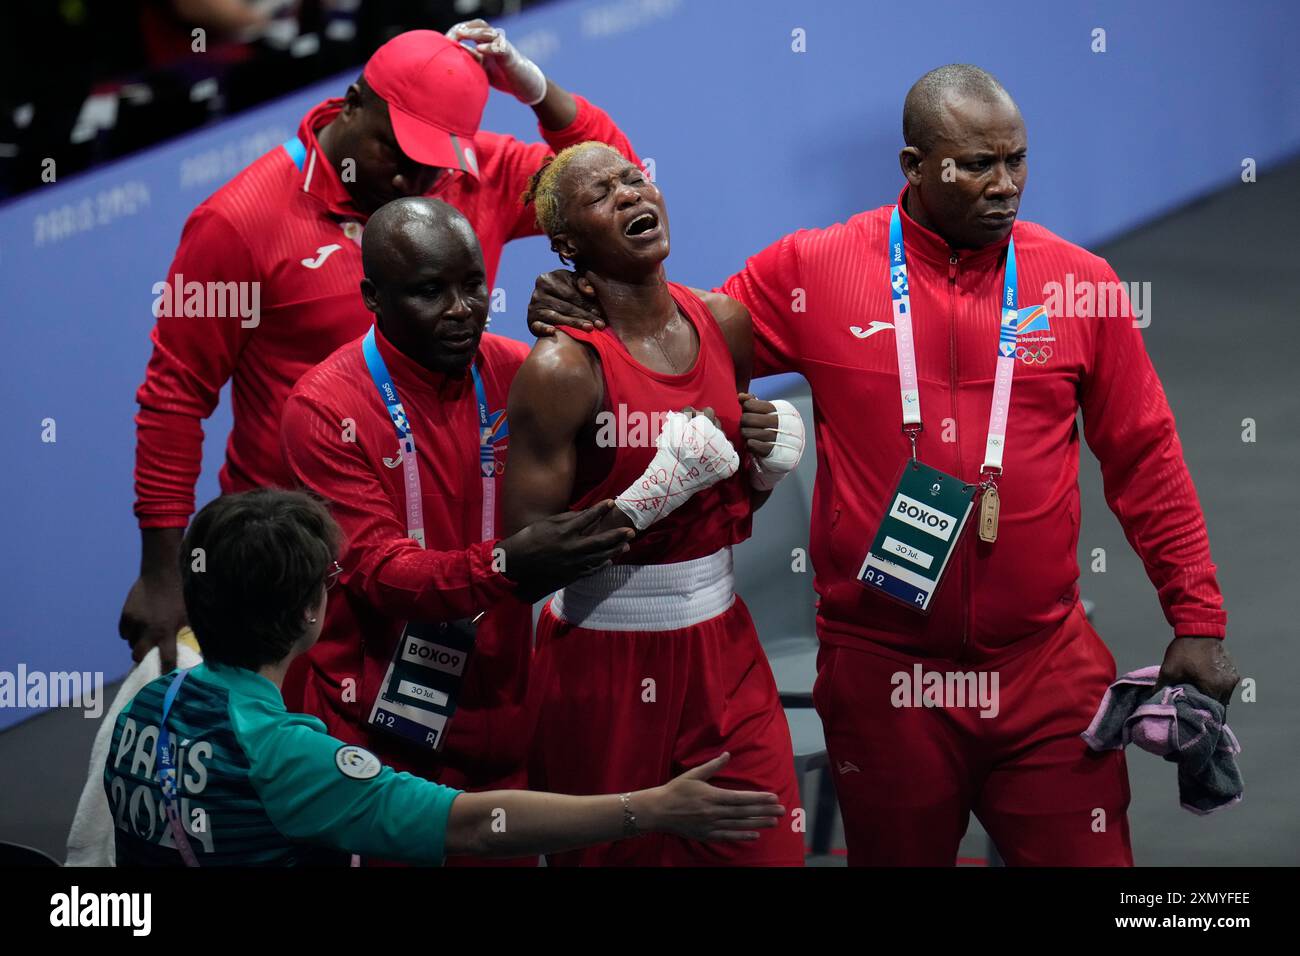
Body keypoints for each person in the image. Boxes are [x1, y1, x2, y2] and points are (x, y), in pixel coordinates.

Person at [525, 66, 1239, 866]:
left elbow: (1146, 457)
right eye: (975, 165)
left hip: (1045, 670)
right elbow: (674, 346)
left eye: (1016, 160)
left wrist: (1198, 617)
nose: (1004, 185)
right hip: (884, 677)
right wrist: (586, 302)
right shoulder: (815, 269)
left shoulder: (1081, 284)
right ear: (913, 166)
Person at [120, 23, 640, 672]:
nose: (409, 178)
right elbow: (175, 397)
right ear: (353, 102)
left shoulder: (467, 175)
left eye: (432, 159)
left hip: (439, 536)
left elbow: (617, 188)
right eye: (395, 150)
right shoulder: (238, 223)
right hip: (294, 555)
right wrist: (162, 574)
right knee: (296, 761)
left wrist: (534, 89)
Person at [104, 488, 785, 866]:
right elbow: (473, 826)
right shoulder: (286, 757)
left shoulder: (141, 710)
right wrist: (648, 809)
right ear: (313, 611)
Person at [278, 197, 637, 865]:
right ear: (373, 298)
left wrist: (599, 328)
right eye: (427, 291)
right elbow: (382, 573)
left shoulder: (525, 373)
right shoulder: (324, 409)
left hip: (514, 713)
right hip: (381, 734)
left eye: (472, 284)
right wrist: (506, 566)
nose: (461, 308)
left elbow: (632, 450)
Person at [502, 142, 807, 866]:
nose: (630, 194)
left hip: (725, 648)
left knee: (768, 852)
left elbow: (720, 513)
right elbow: (522, 559)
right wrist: (648, 496)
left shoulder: (727, 323)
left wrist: (763, 473)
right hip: (601, 666)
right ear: (568, 245)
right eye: (602, 193)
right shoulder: (560, 370)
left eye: (634, 179)